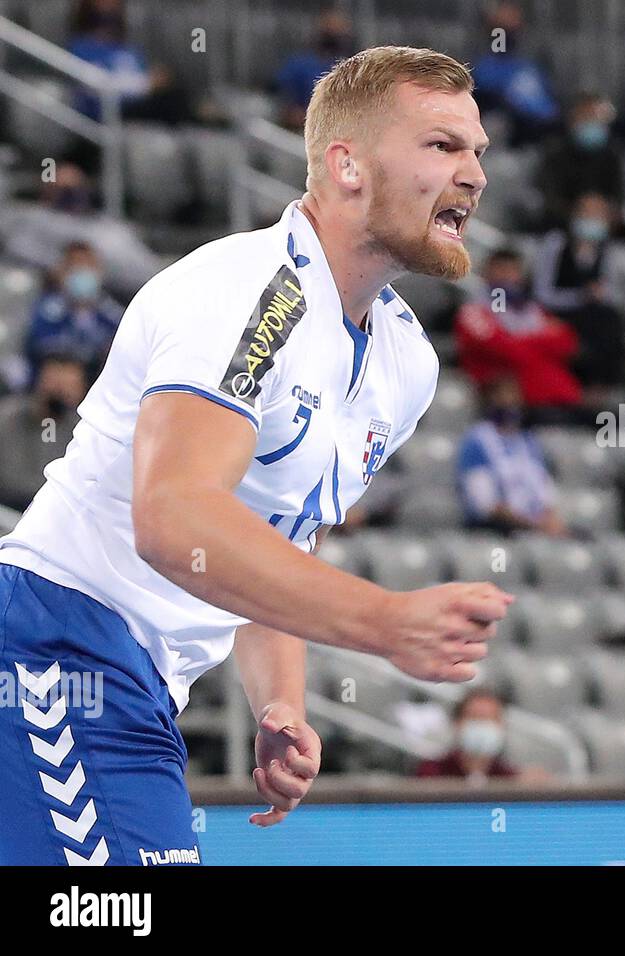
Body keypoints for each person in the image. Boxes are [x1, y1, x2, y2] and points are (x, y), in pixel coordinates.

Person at [0, 47, 514, 866]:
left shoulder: (405, 364)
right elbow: (173, 519)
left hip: (137, 686)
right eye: (443, 146)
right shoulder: (246, 293)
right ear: (345, 165)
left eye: (478, 152)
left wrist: (282, 701)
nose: (475, 175)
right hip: (54, 650)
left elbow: (270, 537)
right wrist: (382, 622)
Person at [454, 248, 584, 422]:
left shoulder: (530, 309)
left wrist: (517, 338)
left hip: (561, 399)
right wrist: (541, 338)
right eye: (501, 270)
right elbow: (505, 349)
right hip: (510, 404)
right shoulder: (473, 311)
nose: (507, 276)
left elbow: (568, 342)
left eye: (512, 270)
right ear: (487, 272)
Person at [531, 192, 625, 391]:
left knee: (609, 321)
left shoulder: (607, 252)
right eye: (588, 213)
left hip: (590, 317)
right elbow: (542, 293)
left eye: (599, 215)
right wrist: (579, 296)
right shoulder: (555, 245)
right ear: (575, 216)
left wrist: (596, 296)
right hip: (556, 311)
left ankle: (600, 386)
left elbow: (610, 295)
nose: (592, 219)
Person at [457, 376, 567, 537]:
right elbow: (484, 503)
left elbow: (545, 491)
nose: (509, 404)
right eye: (502, 398)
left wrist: (549, 519)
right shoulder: (477, 441)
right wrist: (532, 524)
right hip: (498, 530)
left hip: (534, 526)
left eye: (513, 398)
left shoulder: (529, 442)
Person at [66, 0, 193, 126]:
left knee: (176, 95)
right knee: (173, 101)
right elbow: (97, 84)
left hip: (139, 105)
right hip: (109, 112)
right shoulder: (82, 47)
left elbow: (148, 74)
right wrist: (147, 83)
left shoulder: (127, 49)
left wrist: (156, 78)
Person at [25, 241, 123, 387]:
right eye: (75, 266)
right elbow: (40, 345)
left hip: (94, 381)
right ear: (61, 271)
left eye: (88, 265)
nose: (82, 272)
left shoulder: (111, 315)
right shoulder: (47, 311)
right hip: (48, 380)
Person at [0, 354, 86, 512]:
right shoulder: (8, 417)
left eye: (69, 387)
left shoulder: (80, 431)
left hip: (50, 515)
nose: (60, 392)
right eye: (54, 383)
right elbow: (11, 481)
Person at [471, 1, 561, 147]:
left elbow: (549, 109)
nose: (506, 29)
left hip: (537, 137)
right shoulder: (484, 66)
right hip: (503, 139)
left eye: (513, 21)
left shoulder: (531, 67)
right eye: (501, 24)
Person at [536, 93, 625, 234]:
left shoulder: (615, 154)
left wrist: (602, 208)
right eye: (586, 117)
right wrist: (579, 208)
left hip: (607, 221)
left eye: (595, 117)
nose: (591, 122)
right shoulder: (555, 153)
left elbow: (621, 192)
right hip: (561, 223)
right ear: (573, 120)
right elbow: (548, 195)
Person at [415, 690, 546, 783]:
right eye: (476, 718)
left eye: (490, 719)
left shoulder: (510, 779)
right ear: (457, 724)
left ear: (502, 726)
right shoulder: (431, 773)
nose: (483, 725)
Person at [275, 10, 354, 130]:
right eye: (329, 33)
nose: (334, 38)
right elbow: (284, 101)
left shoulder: (352, 68)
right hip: (302, 129)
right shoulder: (299, 64)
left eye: (338, 34)